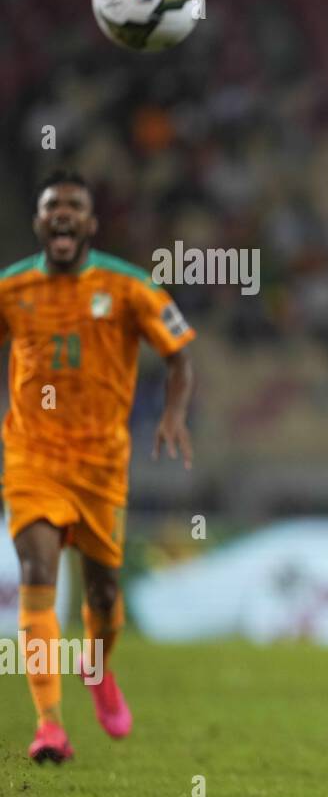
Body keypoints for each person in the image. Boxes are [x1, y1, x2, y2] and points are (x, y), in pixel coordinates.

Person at [2, 169, 196, 763]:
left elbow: (181, 352)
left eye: (74, 206)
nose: (62, 213)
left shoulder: (129, 285)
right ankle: (49, 726)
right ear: (39, 222)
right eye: (51, 204)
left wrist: (172, 416)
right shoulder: (10, 287)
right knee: (38, 571)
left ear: (90, 222)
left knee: (104, 590)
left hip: (101, 464)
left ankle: (98, 667)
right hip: (32, 455)